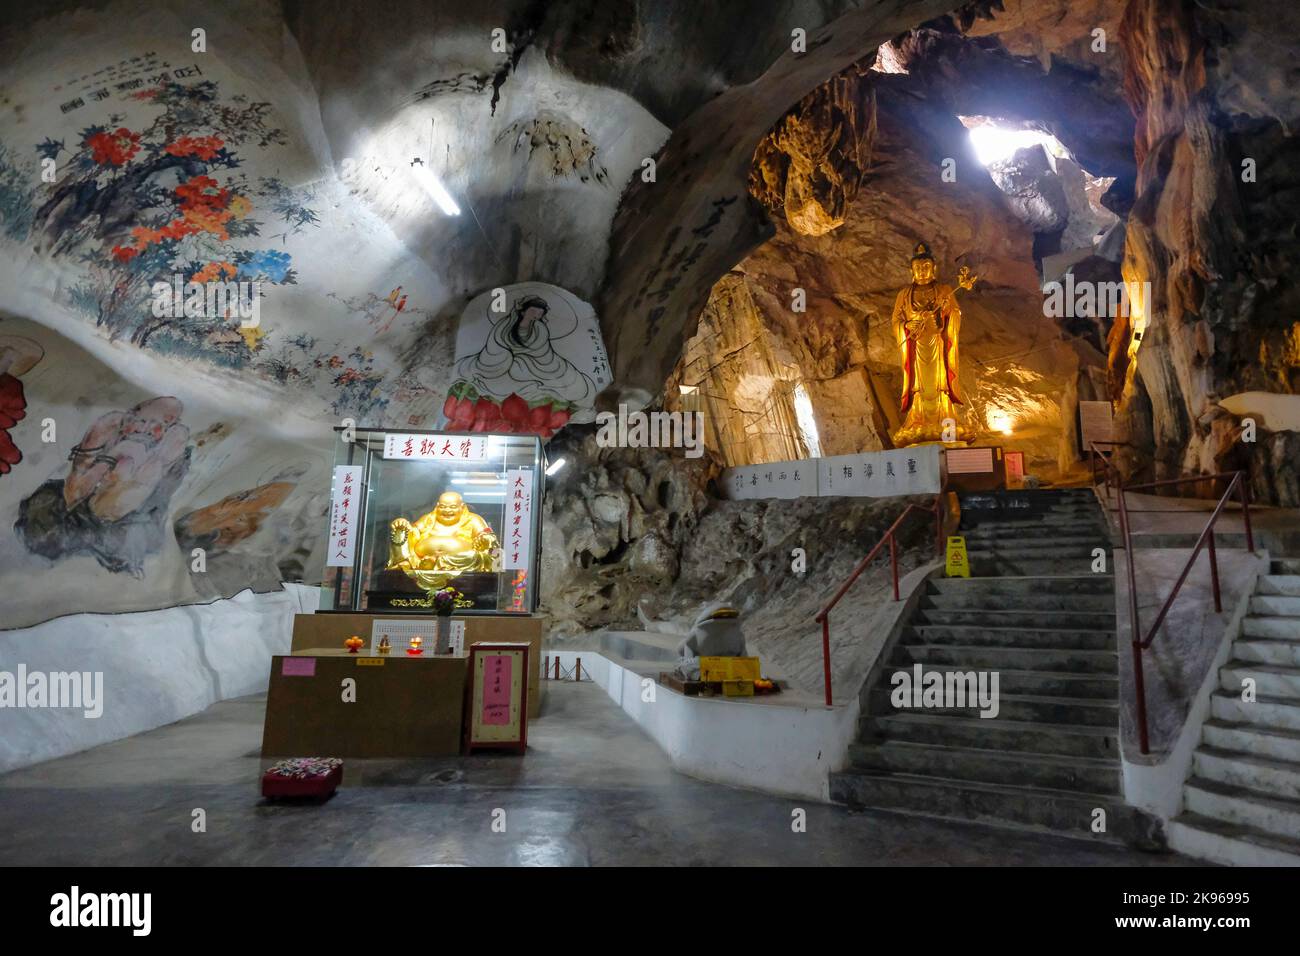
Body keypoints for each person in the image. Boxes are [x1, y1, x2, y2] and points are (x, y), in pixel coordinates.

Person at [454, 294, 595, 407]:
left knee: (570, 381)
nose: (536, 315)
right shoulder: (504, 326)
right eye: (533, 311)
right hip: (500, 364)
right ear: (523, 311)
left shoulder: (540, 330)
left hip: (532, 365)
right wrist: (506, 357)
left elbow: (543, 354)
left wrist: (524, 359)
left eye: (540, 313)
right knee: (498, 378)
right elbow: (494, 346)